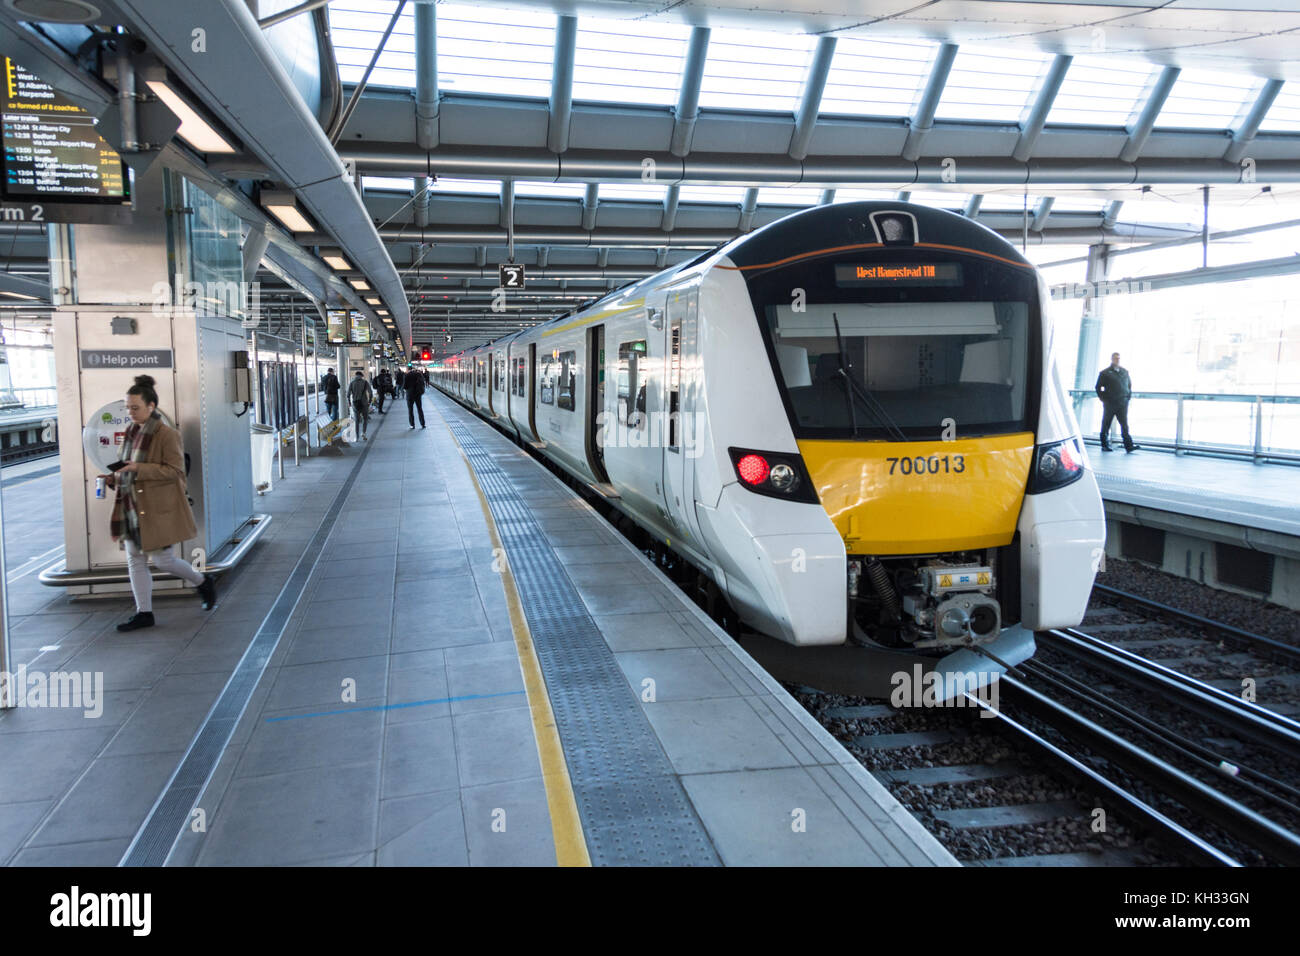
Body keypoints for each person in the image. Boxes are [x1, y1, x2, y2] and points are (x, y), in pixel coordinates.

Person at [100, 375, 216, 632]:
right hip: (131, 505)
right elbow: (126, 467)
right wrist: (113, 477)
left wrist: (138, 468)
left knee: (164, 560)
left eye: (135, 407)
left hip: (156, 508)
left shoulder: (167, 435)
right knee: (135, 559)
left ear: (151, 406)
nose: (130, 413)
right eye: (128, 408)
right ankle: (144, 613)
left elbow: (175, 472)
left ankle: (202, 581)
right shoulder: (130, 433)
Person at [1095, 352, 1139, 453]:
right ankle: (1104, 445)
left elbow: (1129, 386)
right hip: (1110, 403)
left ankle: (1129, 446)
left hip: (1122, 403)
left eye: (1118, 358)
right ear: (1112, 359)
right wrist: (1104, 399)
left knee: (1124, 425)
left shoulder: (1124, 371)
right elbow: (1098, 387)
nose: (1117, 360)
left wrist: (1127, 397)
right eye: (1115, 358)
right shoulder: (1105, 373)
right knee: (1106, 424)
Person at [348, 369, 373, 441]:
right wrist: (369, 401)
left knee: (356, 420)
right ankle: (363, 433)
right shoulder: (365, 382)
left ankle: (357, 437)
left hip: (355, 404)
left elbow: (348, 394)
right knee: (365, 419)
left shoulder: (351, 382)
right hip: (364, 403)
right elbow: (370, 392)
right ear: (361, 376)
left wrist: (349, 402)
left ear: (355, 375)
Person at [405, 363, 426, 429]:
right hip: (418, 394)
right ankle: (422, 424)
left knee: (410, 410)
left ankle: (412, 425)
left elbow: (404, 386)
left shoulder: (407, 375)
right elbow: (423, 383)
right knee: (419, 409)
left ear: (407, 369)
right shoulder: (418, 374)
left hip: (410, 395)